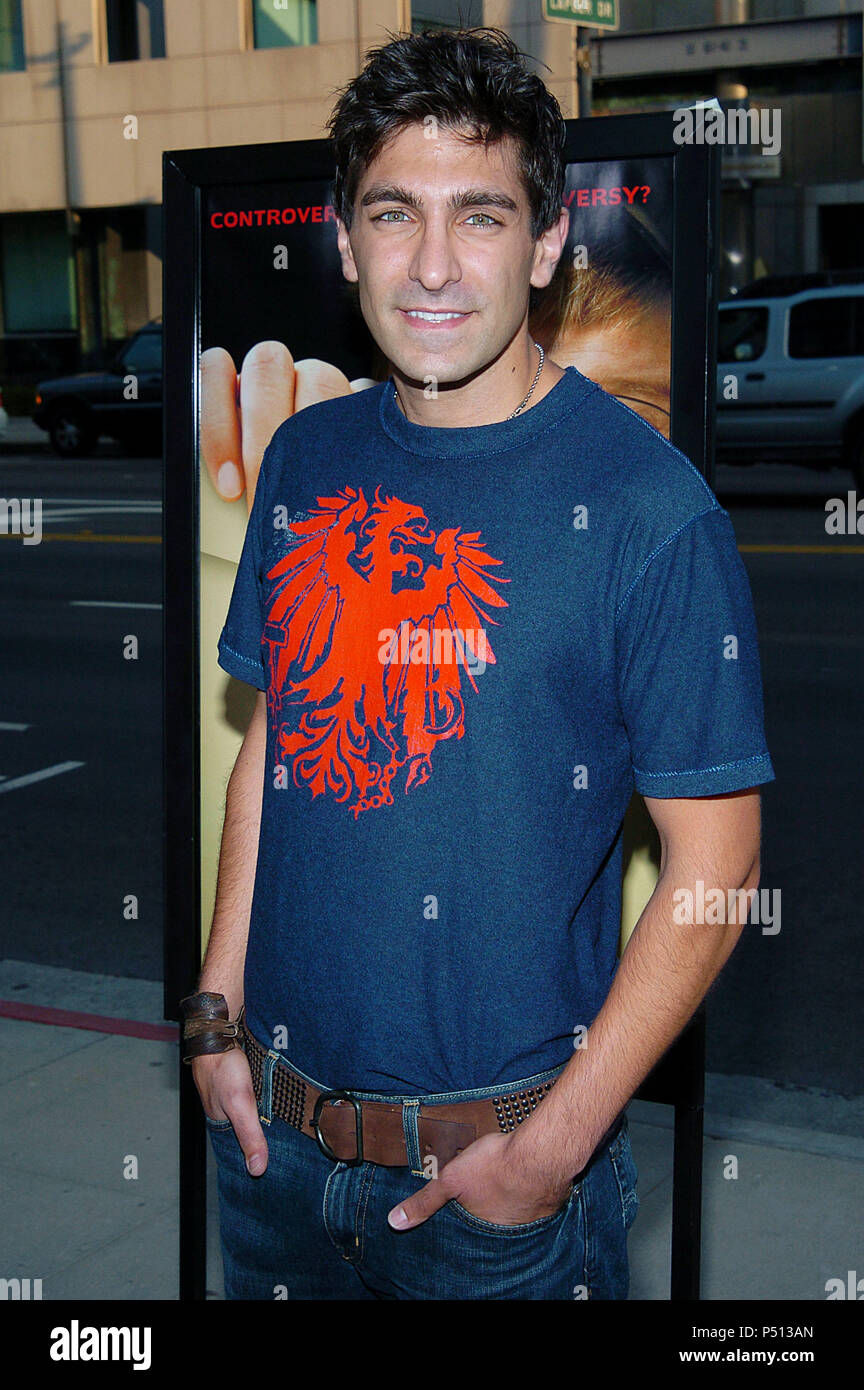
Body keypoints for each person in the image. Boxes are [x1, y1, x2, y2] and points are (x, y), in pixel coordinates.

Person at [184, 26, 774, 1301]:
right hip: (269, 1156)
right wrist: (216, 1021)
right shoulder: (305, 460)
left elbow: (720, 869)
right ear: (345, 242)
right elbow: (267, 759)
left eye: (483, 216)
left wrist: (549, 1156)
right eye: (395, 214)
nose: (435, 265)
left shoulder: (648, 510)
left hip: (500, 1199)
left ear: (550, 243)